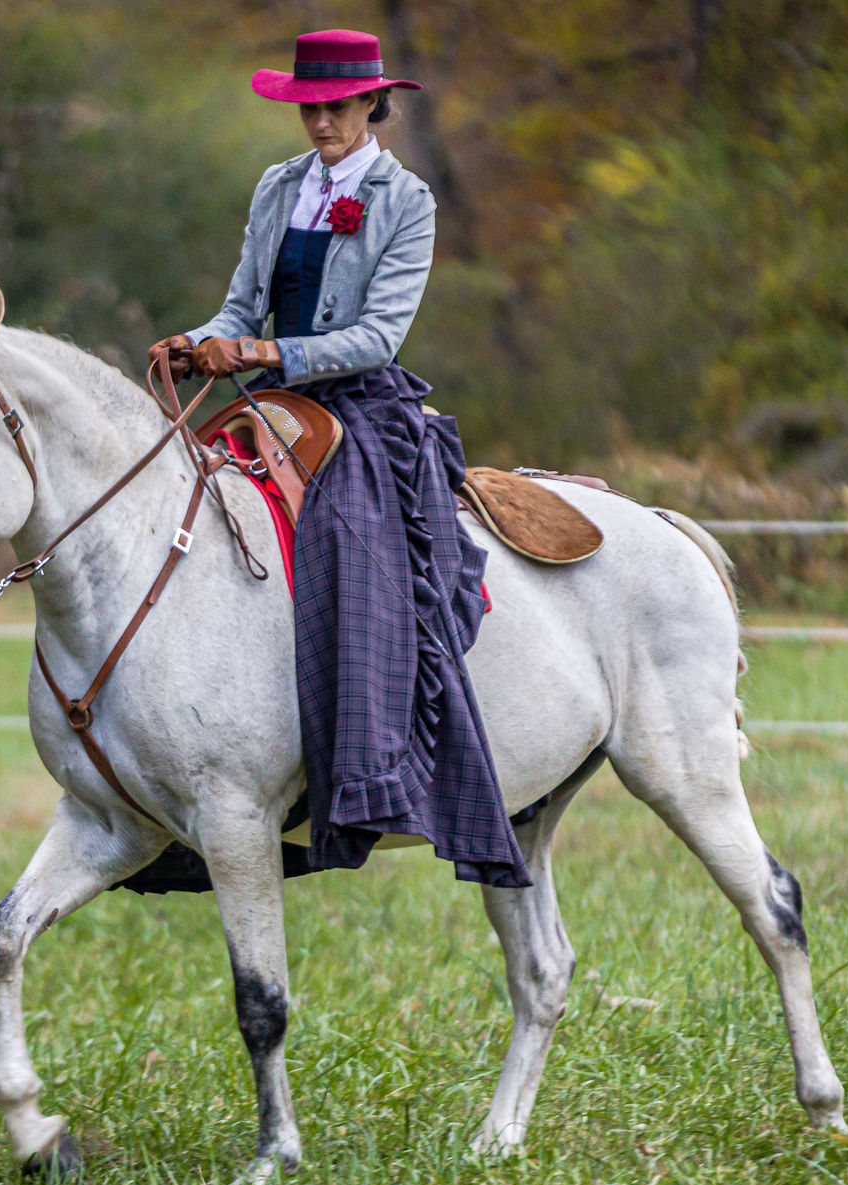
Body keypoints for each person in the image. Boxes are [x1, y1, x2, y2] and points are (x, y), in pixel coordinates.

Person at [148, 29, 529, 888]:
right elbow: (241, 304)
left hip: (360, 408)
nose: (319, 122)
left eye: (335, 107)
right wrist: (199, 342)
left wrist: (263, 357)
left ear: (371, 105)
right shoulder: (278, 186)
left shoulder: (408, 201)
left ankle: (366, 772)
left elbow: (377, 336)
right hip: (267, 401)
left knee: (353, 544)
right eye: (308, 107)